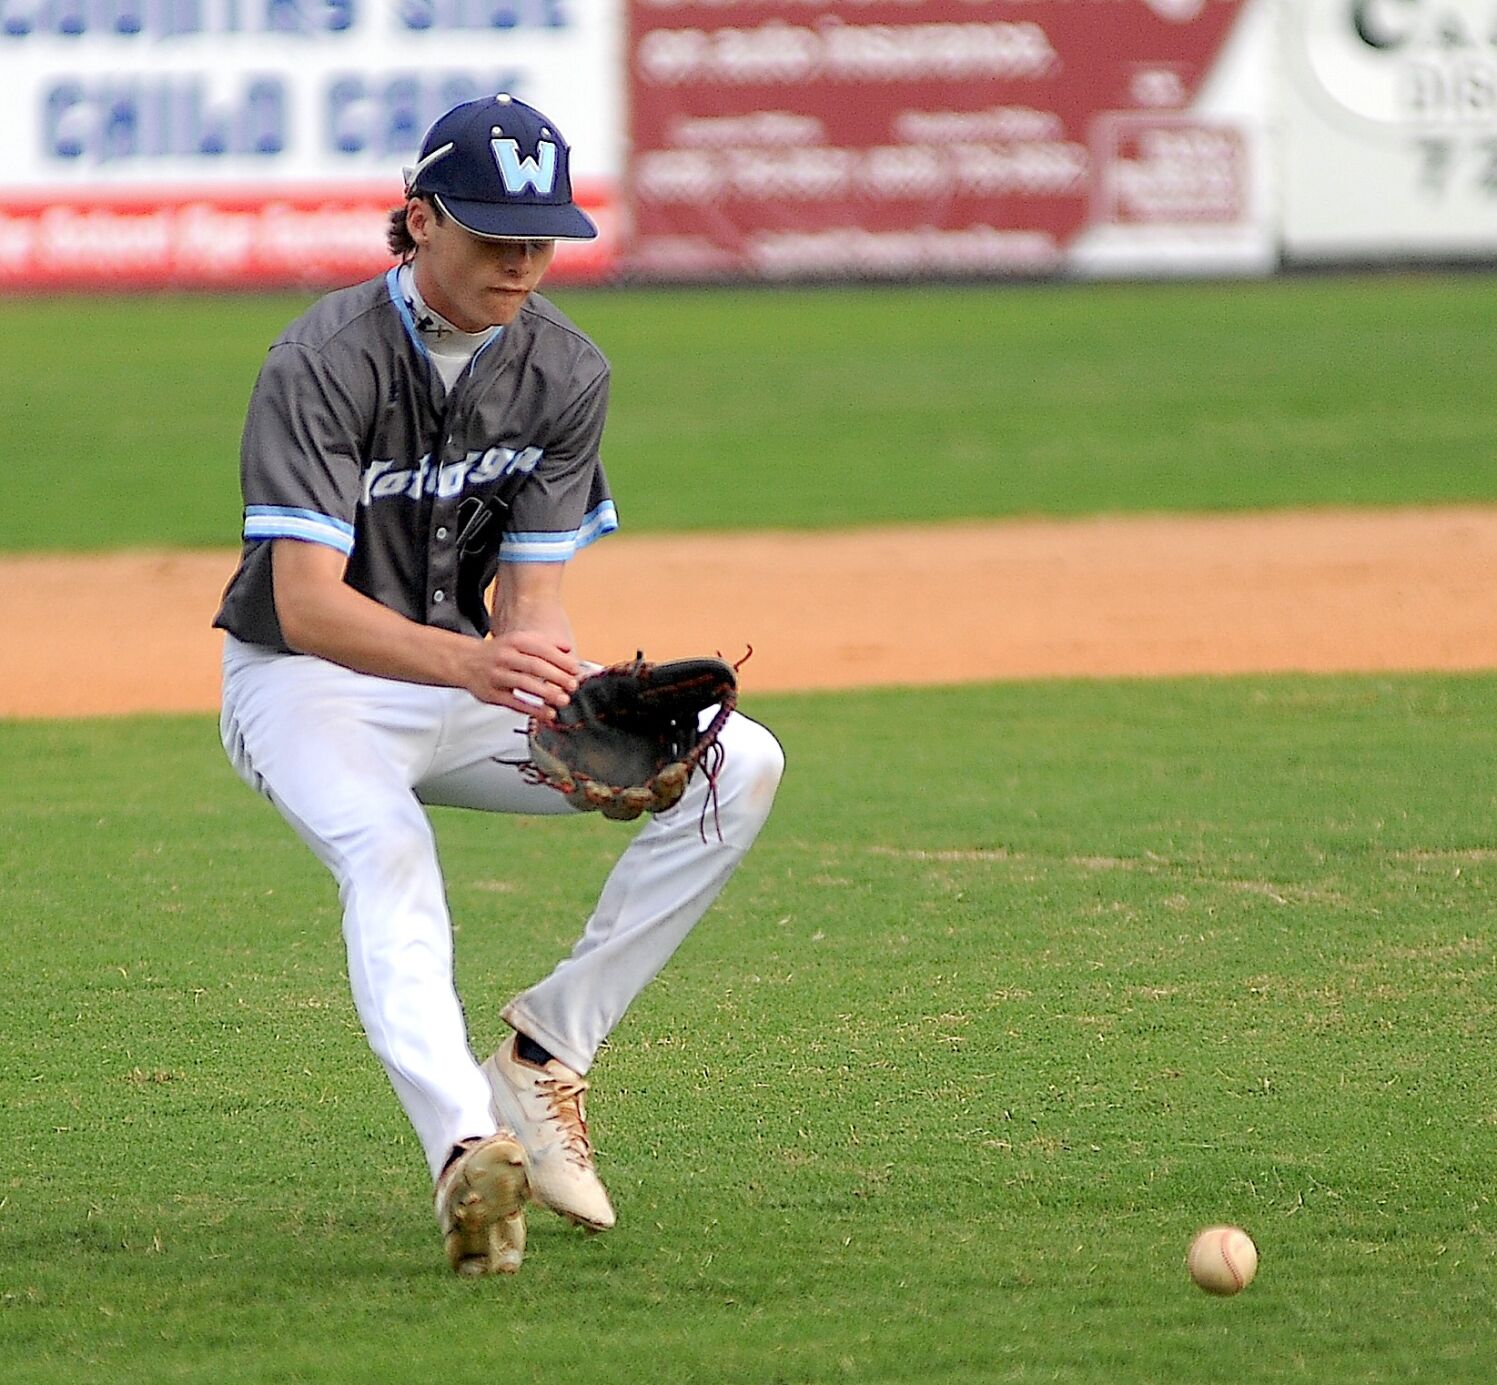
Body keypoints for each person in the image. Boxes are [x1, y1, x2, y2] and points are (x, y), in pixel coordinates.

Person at [212, 93, 785, 1277]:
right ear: (421, 220)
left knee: (740, 764)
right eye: (493, 235)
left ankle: (542, 1055)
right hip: (302, 684)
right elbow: (307, 603)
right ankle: (466, 1150)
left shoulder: (566, 369)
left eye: (542, 238)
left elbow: (530, 600)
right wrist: (480, 664)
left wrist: (554, 687)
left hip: (460, 681)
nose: (522, 262)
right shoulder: (322, 359)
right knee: (389, 852)